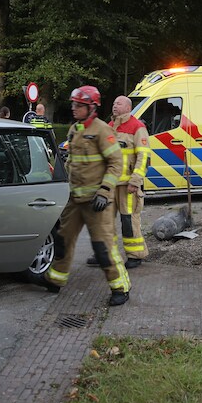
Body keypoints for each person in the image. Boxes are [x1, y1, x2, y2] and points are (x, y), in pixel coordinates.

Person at [30, 85, 131, 306]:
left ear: (91, 107)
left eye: (79, 105)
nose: (74, 108)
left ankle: (120, 288)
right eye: (74, 104)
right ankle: (55, 279)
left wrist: (105, 191)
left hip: (97, 202)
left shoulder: (102, 130)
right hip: (75, 200)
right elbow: (71, 163)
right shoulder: (74, 129)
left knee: (103, 248)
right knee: (62, 240)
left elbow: (116, 163)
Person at [87, 95, 149, 268]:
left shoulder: (137, 127)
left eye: (119, 103)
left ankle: (135, 255)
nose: (114, 105)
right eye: (114, 103)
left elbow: (144, 157)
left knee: (128, 221)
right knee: (104, 220)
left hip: (127, 186)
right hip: (109, 185)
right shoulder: (109, 126)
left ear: (128, 107)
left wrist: (135, 181)